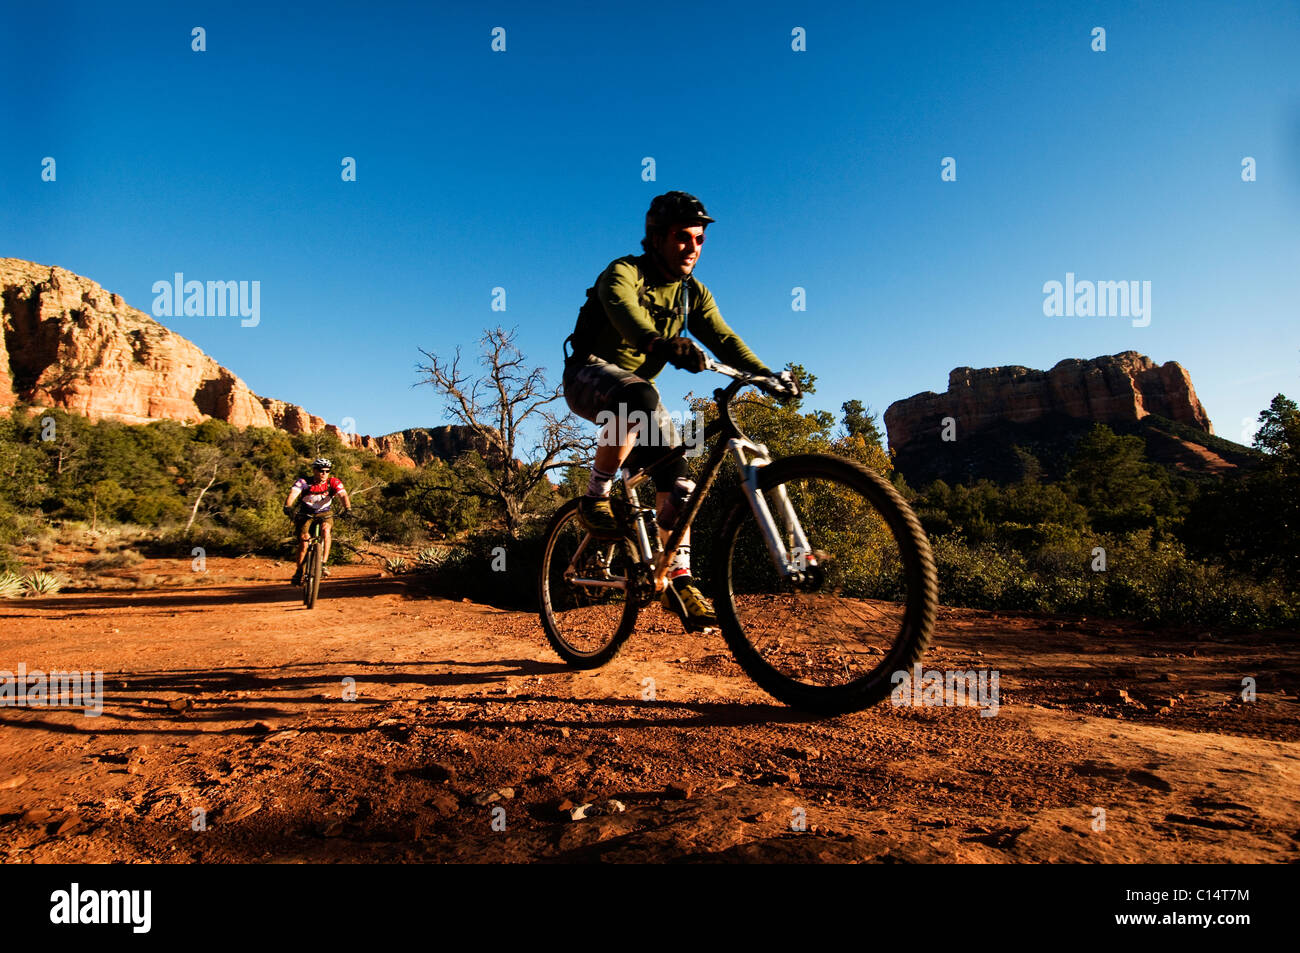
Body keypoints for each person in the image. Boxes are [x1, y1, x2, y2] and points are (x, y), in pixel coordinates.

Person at [563, 190, 789, 631]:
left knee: (677, 474)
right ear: (657, 237)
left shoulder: (692, 295)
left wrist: (766, 375)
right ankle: (596, 495)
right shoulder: (625, 272)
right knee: (639, 397)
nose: (693, 248)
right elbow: (622, 308)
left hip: (638, 394)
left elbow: (723, 338)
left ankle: (678, 576)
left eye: (700, 239)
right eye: (682, 237)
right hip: (587, 377)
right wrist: (659, 342)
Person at [284, 458, 351, 586]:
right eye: (321, 471)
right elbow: (293, 493)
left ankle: (323, 564)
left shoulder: (333, 482)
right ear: (314, 470)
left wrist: (347, 508)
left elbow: (343, 495)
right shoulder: (304, 482)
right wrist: (287, 506)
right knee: (304, 541)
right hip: (306, 513)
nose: (324, 474)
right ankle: (299, 571)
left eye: (327, 471)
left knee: (326, 530)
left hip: (325, 513)